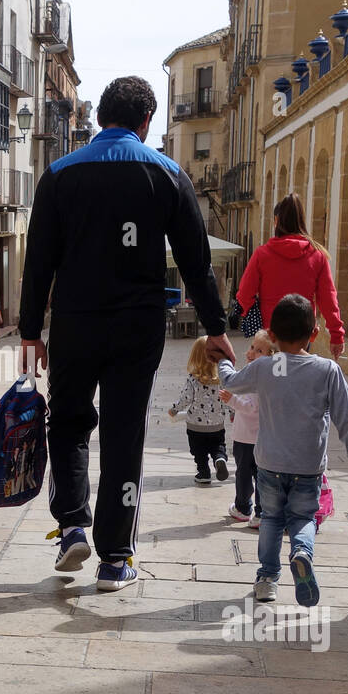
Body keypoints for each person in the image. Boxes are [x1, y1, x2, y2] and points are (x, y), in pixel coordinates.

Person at [18, 75, 234, 592]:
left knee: (67, 423)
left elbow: (37, 262)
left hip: (74, 323)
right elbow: (196, 262)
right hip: (137, 327)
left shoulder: (58, 175)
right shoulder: (169, 175)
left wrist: (29, 332)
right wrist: (216, 328)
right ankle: (115, 558)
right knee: (124, 434)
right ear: (146, 122)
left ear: (99, 119)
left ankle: (72, 522)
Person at [218, 294, 348, 606]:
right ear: (314, 333)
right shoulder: (327, 370)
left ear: (272, 336)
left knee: (272, 519)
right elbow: (347, 417)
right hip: (309, 467)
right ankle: (302, 551)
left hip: (269, 464)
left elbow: (232, 382)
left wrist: (223, 361)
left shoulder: (265, 366)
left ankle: (267, 578)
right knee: (303, 517)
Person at [236, 193, 346, 359]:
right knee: (297, 377)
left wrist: (255, 314)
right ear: (302, 220)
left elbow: (244, 294)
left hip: (271, 331)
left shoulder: (262, 254)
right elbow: (328, 300)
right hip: (302, 333)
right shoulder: (317, 256)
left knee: (271, 379)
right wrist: (337, 334)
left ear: (276, 221)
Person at [220, 328, 275, 527]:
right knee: (260, 476)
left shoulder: (258, 378)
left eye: (259, 351)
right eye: (252, 347)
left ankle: (244, 508)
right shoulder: (263, 376)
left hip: (246, 439)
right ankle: (260, 512)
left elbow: (252, 407)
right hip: (258, 437)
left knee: (244, 474)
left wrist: (232, 400)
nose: (251, 352)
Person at [167, 336, 230, 485]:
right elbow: (228, 397)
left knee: (199, 451)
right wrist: (233, 412)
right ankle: (219, 458)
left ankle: (204, 473)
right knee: (218, 445)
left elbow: (186, 398)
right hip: (217, 425)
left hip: (196, 427)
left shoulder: (193, 379)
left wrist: (174, 409)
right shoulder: (221, 379)